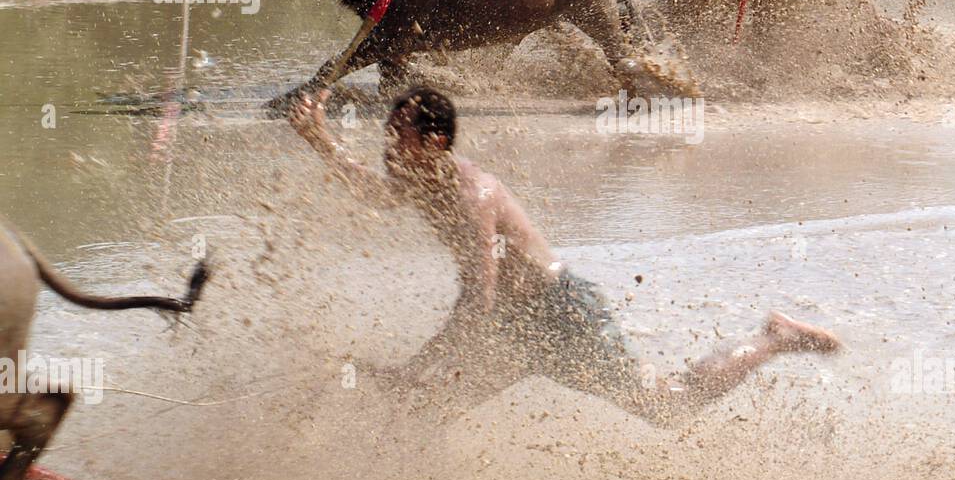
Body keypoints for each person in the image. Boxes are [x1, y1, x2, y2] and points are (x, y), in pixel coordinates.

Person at [288, 87, 842, 425]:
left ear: (434, 143)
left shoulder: (471, 195)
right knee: (429, 410)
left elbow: (479, 300)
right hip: (515, 323)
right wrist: (317, 137)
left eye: (397, 137)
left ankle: (774, 338)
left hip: (559, 314)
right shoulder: (422, 178)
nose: (387, 148)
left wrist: (413, 367)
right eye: (387, 135)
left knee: (666, 407)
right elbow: (376, 195)